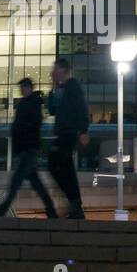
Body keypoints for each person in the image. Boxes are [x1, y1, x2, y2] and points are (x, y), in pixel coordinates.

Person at [0, 78, 57, 218]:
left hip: (28, 148)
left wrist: (21, 136)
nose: (21, 90)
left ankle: (3, 210)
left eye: (23, 87)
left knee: (16, 182)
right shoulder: (26, 104)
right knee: (36, 183)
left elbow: (32, 124)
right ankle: (51, 210)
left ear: (29, 88)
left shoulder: (32, 104)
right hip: (26, 148)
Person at [46, 58, 90, 220]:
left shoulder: (73, 86)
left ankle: (75, 204)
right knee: (65, 169)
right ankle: (75, 205)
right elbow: (51, 110)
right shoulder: (58, 89)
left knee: (55, 163)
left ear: (63, 70)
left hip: (69, 133)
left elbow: (82, 107)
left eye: (55, 69)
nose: (53, 72)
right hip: (61, 133)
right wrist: (52, 88)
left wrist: (83, 130)